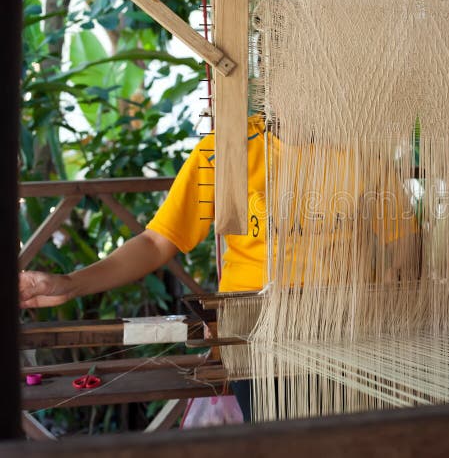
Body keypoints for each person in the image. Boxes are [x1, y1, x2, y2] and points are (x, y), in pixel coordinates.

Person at [18, 113, 417, 422]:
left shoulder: (362, 153)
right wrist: (71, 284)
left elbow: (404, 244)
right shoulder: (227, 152)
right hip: (256, 335)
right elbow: (157, 242)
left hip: (351, 332)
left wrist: (392, 284)